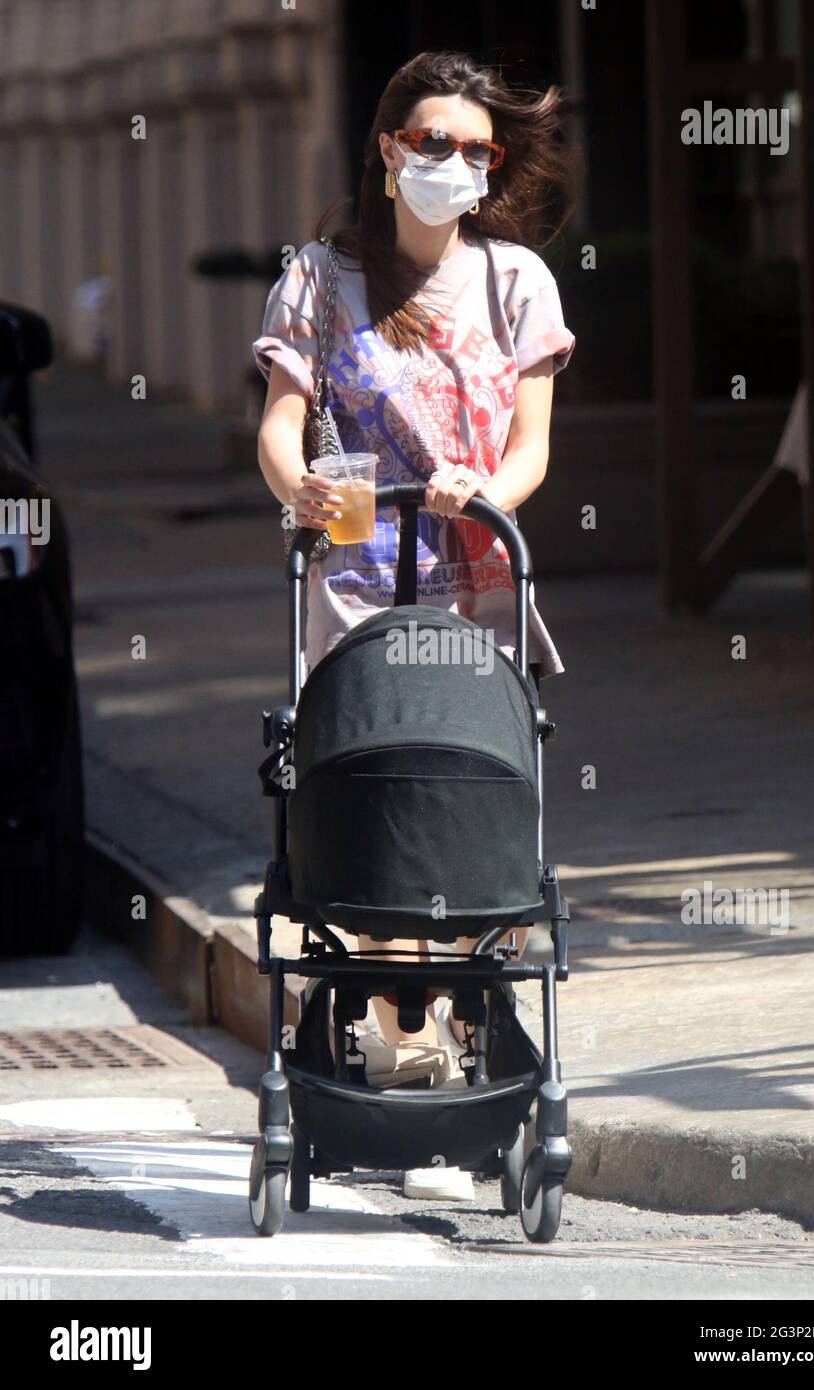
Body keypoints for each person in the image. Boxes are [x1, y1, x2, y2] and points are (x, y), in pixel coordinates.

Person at [254, 50, 575, 1200]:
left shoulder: (516, 282)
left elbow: (534, 450)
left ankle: (433, 1022)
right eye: (432, 143)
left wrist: (484, 489)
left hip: (476, 582)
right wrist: (298, 486)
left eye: (477, 151)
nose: (455, 166)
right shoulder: (319, 279)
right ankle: (405, 1026)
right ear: (388, 148)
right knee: (377, 793)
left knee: (460, 793)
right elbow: (282, 423)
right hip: (351, 581)